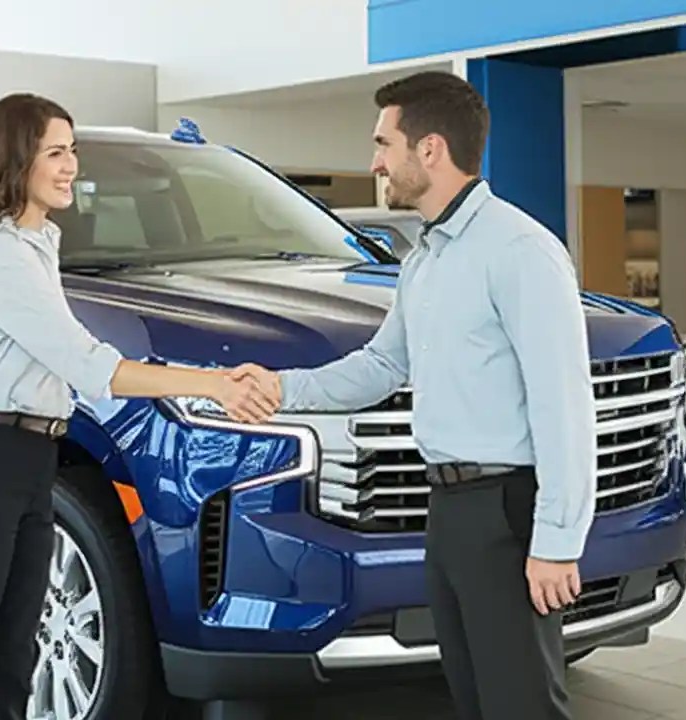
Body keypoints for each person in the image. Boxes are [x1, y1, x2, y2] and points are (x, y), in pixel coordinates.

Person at [233, 71, 596, 720]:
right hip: (449, 510)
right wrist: (278, 389)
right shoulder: (425, 259)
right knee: (473, 697)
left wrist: (557, 542)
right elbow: (378, 366)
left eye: (384, 144)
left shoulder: (519, 250)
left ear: (429, 149)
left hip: (508, 512)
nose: (375, 162)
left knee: (523, 705)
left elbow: (564, 405)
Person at [0, 92, 277, 720]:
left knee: (10, 663)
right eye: (54, 152)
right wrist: (213, 385)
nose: (70, 165)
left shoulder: (36, 247)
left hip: (27, 459)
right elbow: (90, 366)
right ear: (15, 160)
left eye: (72, 150)